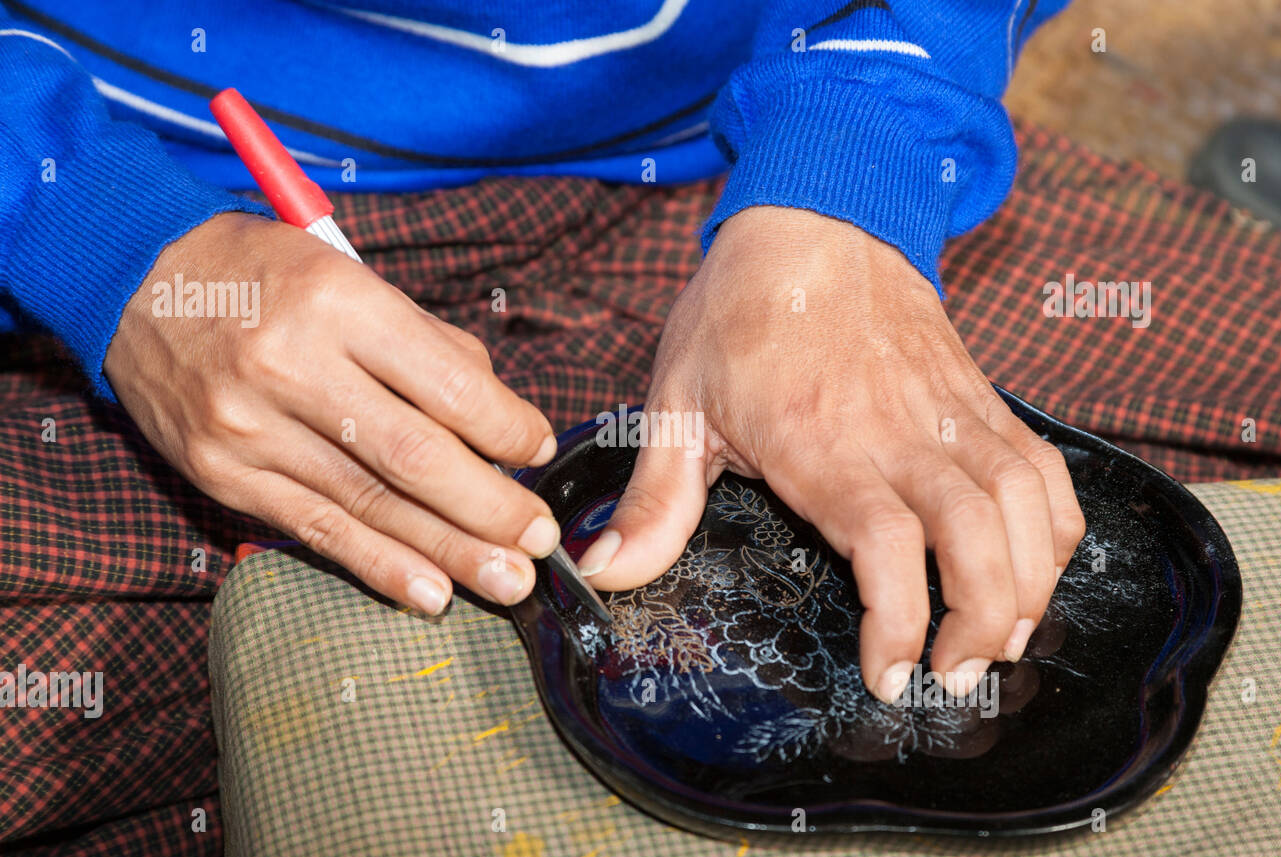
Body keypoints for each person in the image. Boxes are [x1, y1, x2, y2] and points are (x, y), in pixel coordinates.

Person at [0, 0, 1083, 713]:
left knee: (1074, 556)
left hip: (738, 145)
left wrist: (851, 164)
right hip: (127, 189)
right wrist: (90, 228)